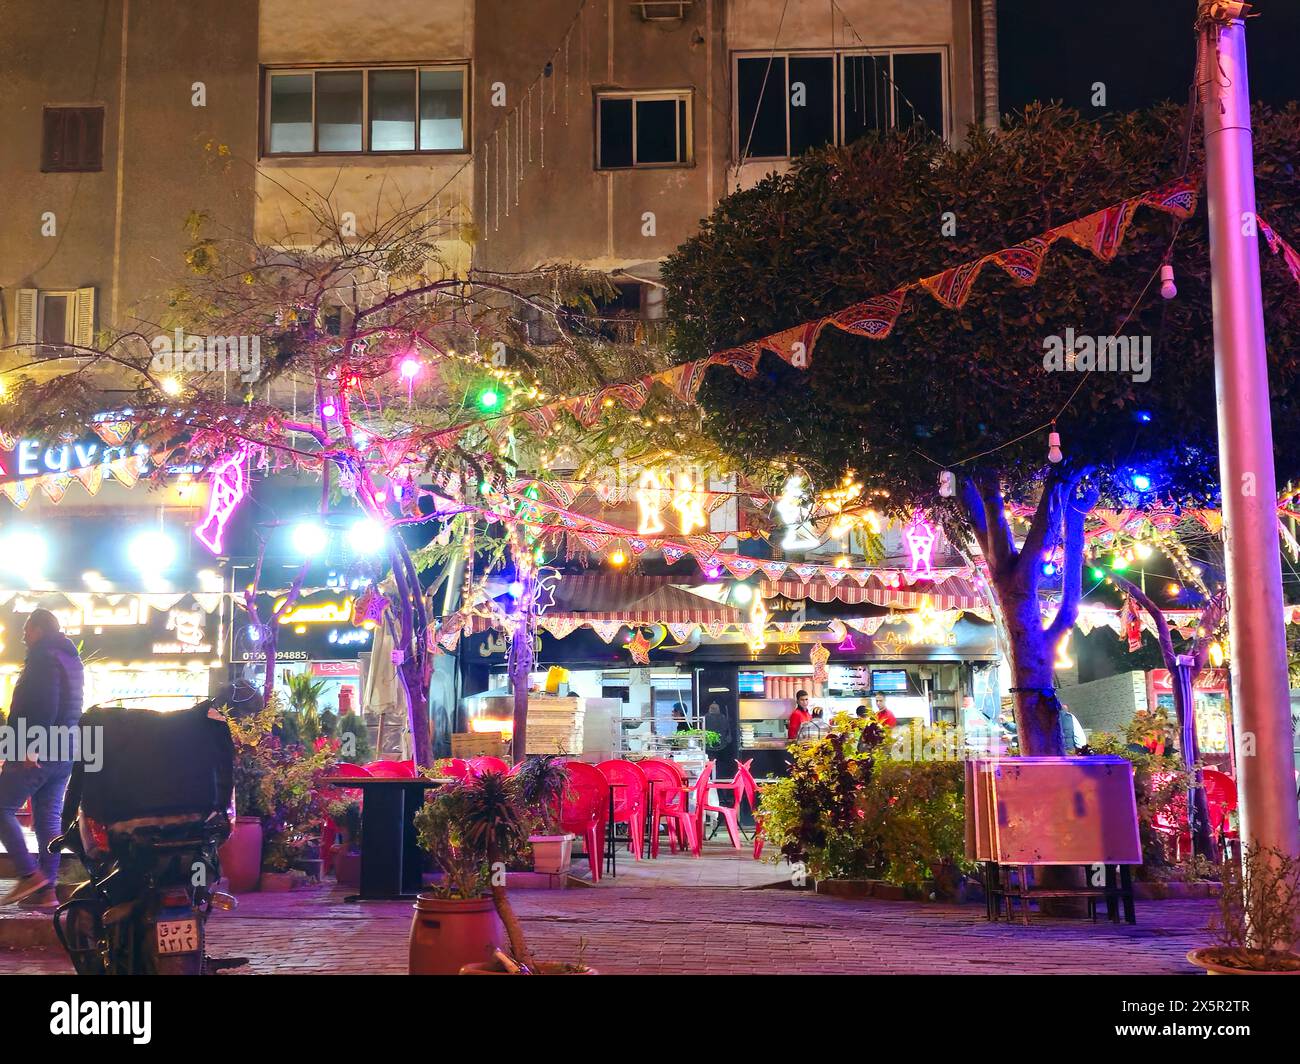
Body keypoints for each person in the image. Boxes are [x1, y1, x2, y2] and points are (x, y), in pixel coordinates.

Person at [0, 608, 85, 907]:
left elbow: (45, 705)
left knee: (2, 807)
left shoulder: (43, 657)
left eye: (27, 629)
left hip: (39, 751)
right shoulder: (70, 659)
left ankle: (29, 875)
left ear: (39, 629)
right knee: (49, 821)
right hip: (64, 751)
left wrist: (30, 747)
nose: (24, 634)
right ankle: (45, 892)